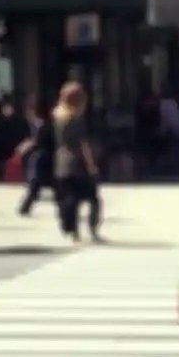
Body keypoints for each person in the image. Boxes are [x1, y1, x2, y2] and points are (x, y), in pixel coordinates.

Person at [51, 82, 103, 243]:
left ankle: (72, 231)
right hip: (77, 163)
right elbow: (83, 144)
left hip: (61, 161)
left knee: (70, 198)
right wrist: (91, 165)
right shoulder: (76, 119)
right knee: (93, 199)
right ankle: (92, 230)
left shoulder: (57, 115)